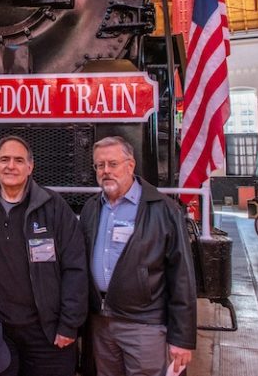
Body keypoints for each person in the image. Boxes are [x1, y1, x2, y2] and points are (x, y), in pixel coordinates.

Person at [0, 135, 87, 376]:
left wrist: (69, 324)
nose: (11, 166)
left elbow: (75, 268)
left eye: (18, 160)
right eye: (4, 159)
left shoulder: (54, 206)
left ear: (30, 167)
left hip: (47, 331)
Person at [80, 136, 196, 376]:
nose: (106, 171)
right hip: (102, 322)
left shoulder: (163, 209)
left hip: (144, 326)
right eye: (99, 166)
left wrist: (182, 338)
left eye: (113, 164)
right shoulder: (92, 208)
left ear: (130, 165)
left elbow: (182, 277)